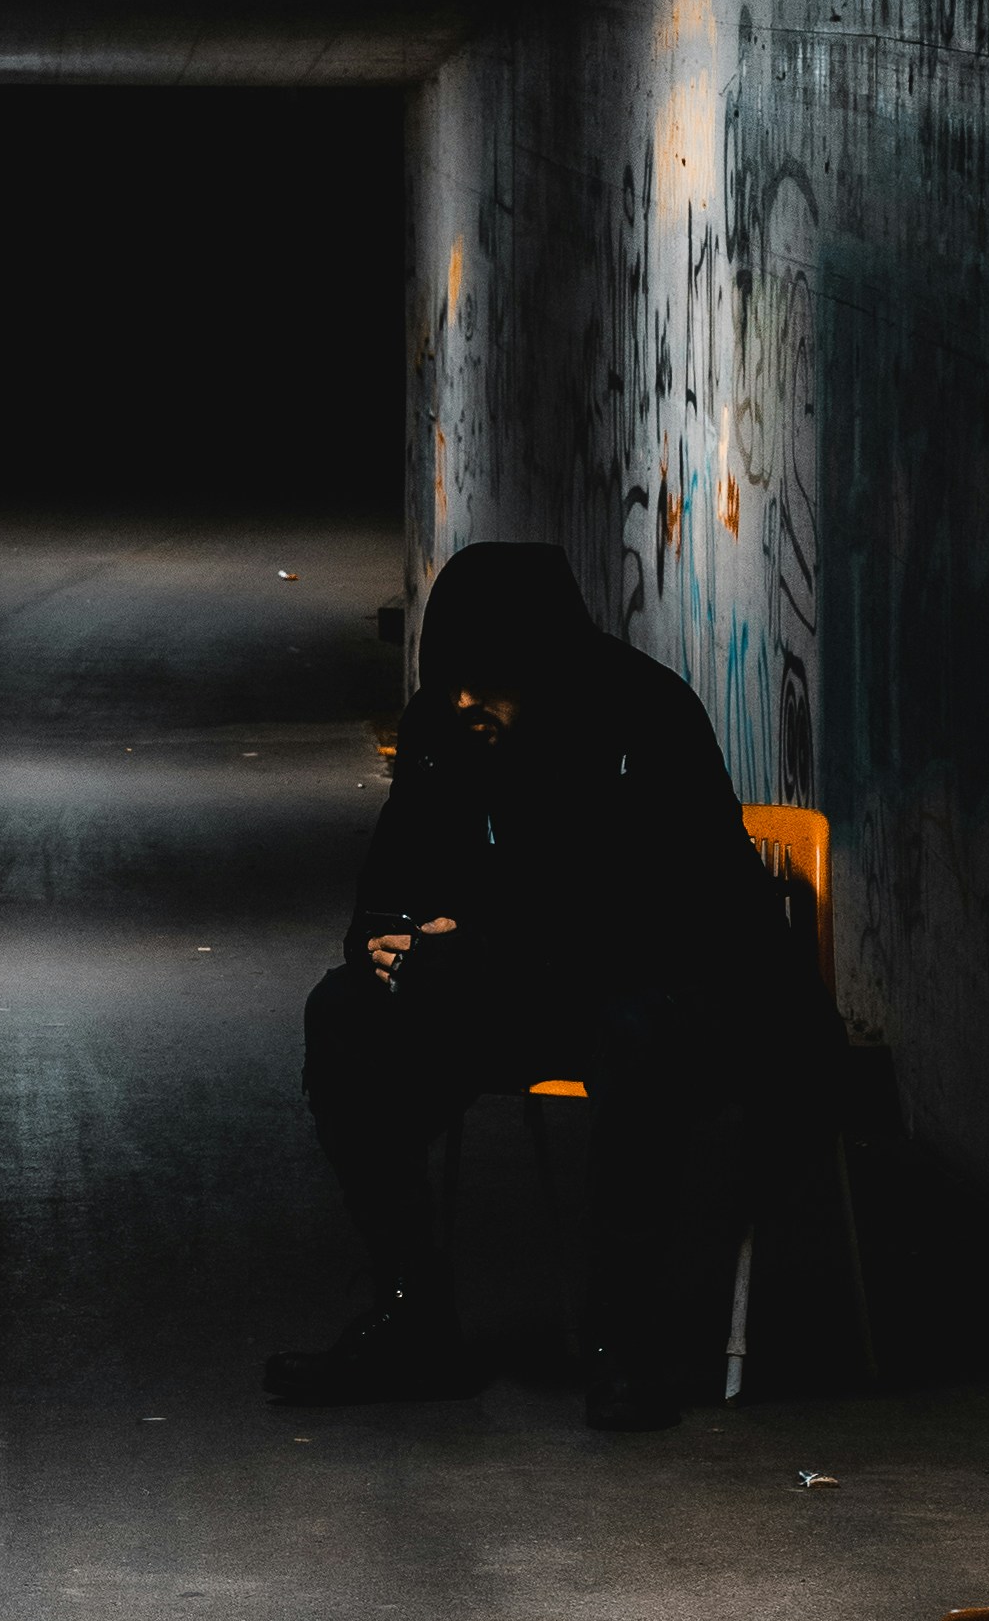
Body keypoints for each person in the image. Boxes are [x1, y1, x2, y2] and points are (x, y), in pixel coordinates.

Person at [267, 541, 807, 1429]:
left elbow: (668, 923)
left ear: (544, 664)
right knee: (344, 1018)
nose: (464, 700)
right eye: (451, 680)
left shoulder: (648, 716)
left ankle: (623, 1338)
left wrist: (476, 946)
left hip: (661, 988)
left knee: (641, 1035)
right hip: (511, 992)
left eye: (487, 679)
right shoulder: (448, 727)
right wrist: (387, 942)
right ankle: (414, 1318)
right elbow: (390, 878)